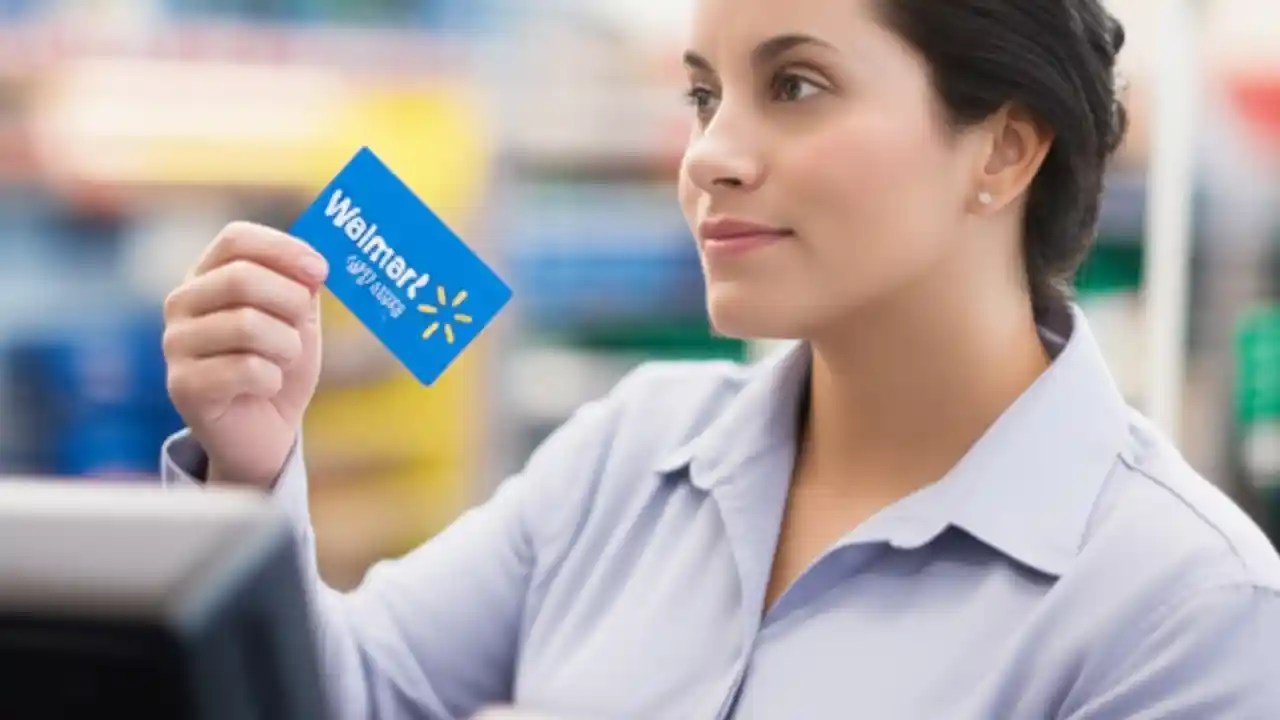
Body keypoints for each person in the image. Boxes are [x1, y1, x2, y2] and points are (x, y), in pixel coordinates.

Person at [159, 0, 1280, 717]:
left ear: (1002, 147)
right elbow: (344, 692)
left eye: (793, 86)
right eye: (704, 95)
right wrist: (254, 469)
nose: (709, 157)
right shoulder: (630, 452)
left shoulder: (1185, 608)